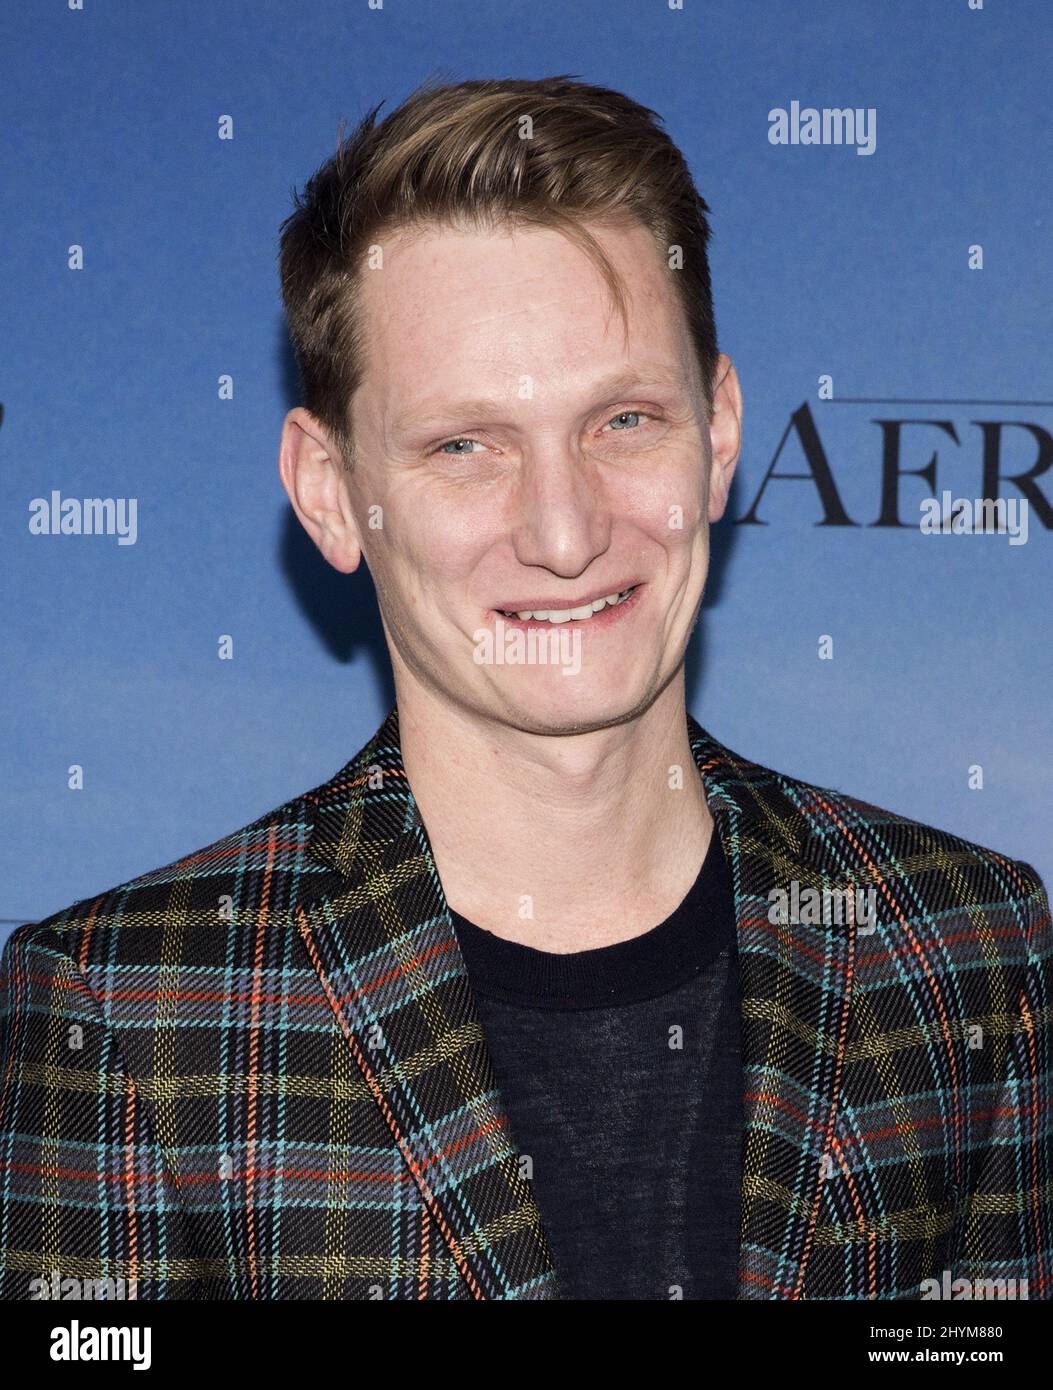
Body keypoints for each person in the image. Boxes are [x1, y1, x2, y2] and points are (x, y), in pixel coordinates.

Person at [1, 75, 1049, 1302]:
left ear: (718, 436)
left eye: (624, 420)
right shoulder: (132, 1009)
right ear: (331, 490)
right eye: (464, 445)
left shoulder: (966, 945)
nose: (564, 530)